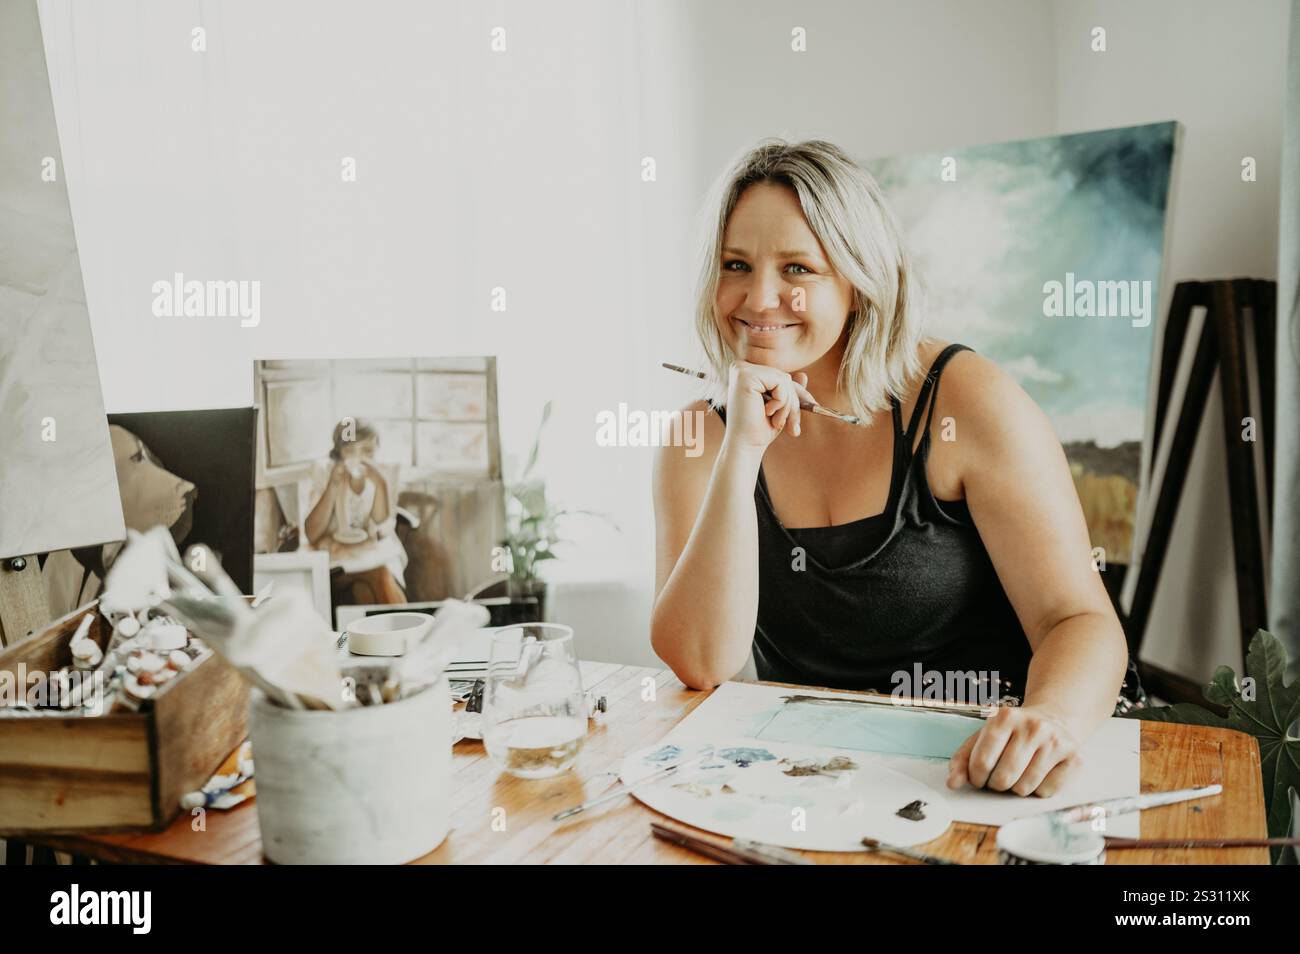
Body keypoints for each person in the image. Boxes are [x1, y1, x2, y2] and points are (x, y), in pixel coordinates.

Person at [651, 139, 1142, 799]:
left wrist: (1047, 720)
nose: (760, 297)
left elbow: (1078, 620)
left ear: (858, 281)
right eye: (735, 264)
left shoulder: (964, 401)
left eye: (797, 268)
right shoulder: (698, 435)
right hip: (822, 781)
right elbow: (702, 664)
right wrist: (741, 453)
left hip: (991, 774)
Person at [305, 417, 406, 605]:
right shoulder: (325, 472)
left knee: (364, 591)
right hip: (335, 560)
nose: (359, 458)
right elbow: (312, 534)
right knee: (380, 573)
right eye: (350, 451)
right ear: (338, 453)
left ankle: (381, 631)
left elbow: (383, 529)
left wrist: (380, 484)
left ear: (376, 449)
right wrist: (332, 486)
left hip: (370, 553)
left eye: (367, 451)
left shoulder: (380, 475)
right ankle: (408, 628)